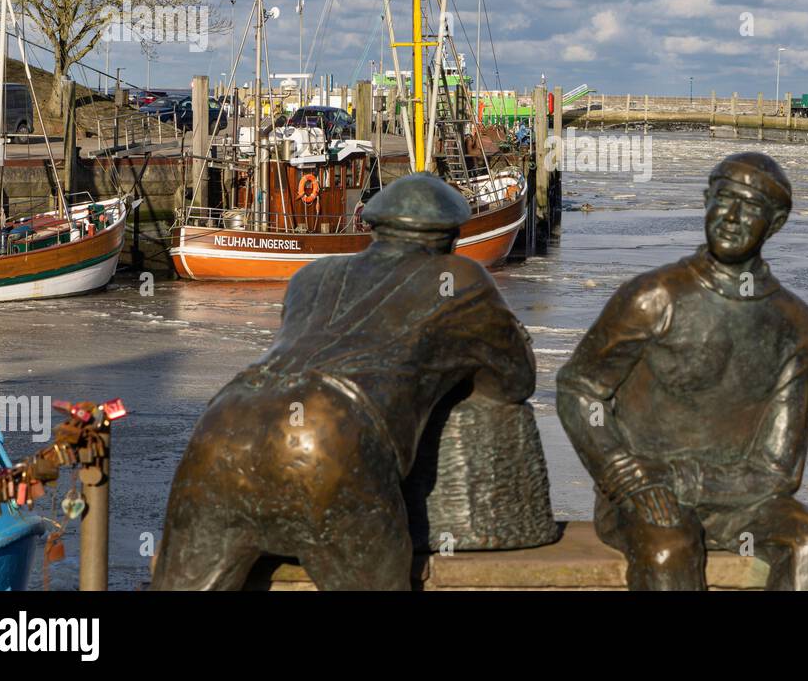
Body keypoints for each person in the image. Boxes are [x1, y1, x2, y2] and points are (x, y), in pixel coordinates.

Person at [152, 174, 537, 590]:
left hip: (224, 422)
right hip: (330, 435)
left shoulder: (312, 275)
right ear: (452, 237)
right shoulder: (460, 279)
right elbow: (514, 381)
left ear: (371, 226)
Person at [557, 152, 808, 591]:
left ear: (777, 222)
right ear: (706, 200)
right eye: (723, 198)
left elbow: (780, 468)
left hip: (736, 498)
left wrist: (691, 479)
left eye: (749, 206)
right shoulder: (655, 296)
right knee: (672, 547)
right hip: (645, 495)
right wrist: (621, 469)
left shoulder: (792, 322)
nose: (731, 216)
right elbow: (579, 388)